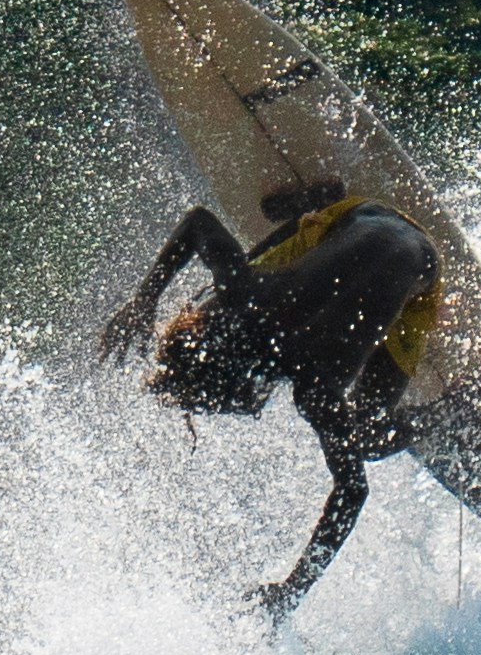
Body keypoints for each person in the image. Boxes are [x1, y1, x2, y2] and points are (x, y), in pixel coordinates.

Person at [98, 177, 441, 612]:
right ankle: (316, 205)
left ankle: (438, 418)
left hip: (424, 274)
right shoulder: (244, 292)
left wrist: (290, 592)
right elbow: (198, 223)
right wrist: (143, 301)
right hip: (359, 214)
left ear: (242, 389)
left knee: (368, 438)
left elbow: (353, 491)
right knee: (249, 271)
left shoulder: (315, 388)